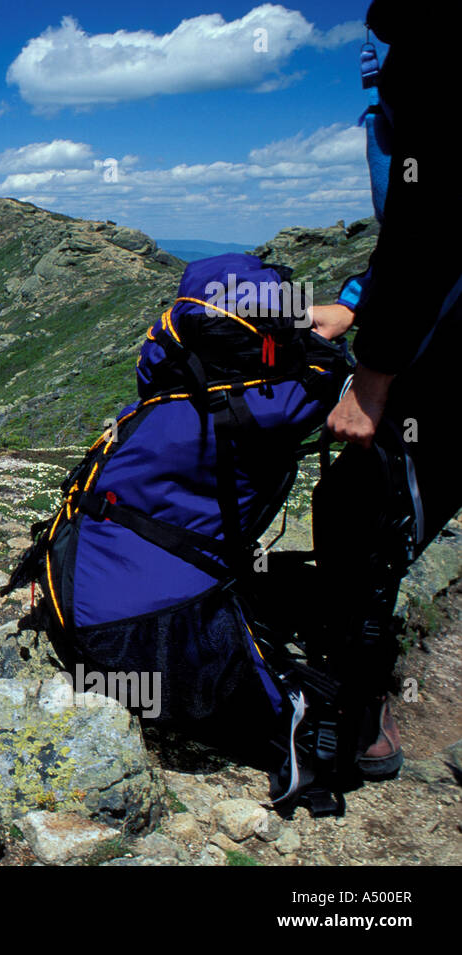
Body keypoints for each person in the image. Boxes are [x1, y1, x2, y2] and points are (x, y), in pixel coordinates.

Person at [306, 2, 462, 781]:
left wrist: (371, 380)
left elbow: (434, 221)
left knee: (360, 511)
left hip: (445, 349)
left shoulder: (435, 48)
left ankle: (356, 713)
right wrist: (360, 299)